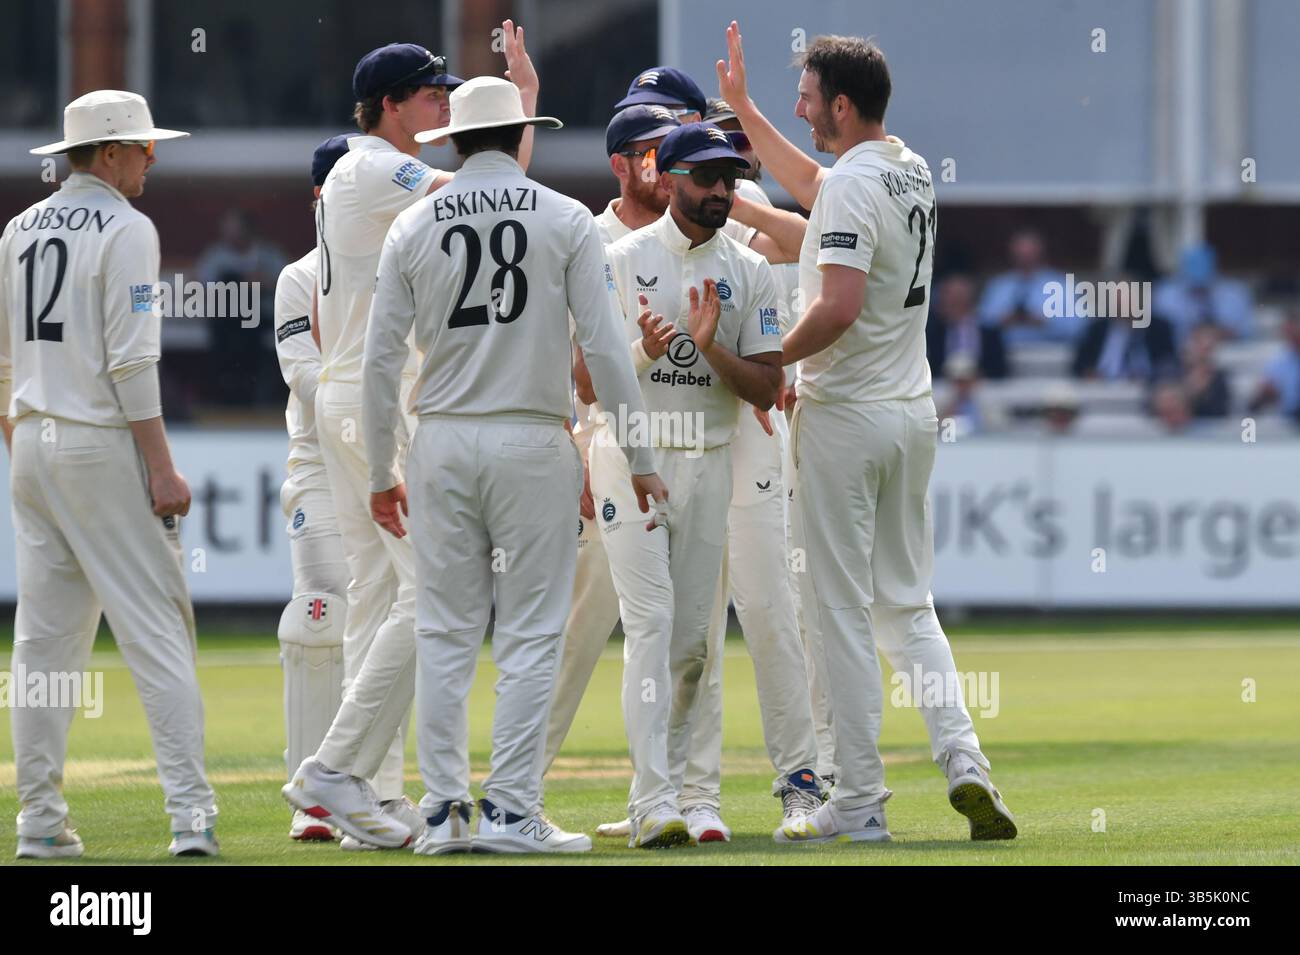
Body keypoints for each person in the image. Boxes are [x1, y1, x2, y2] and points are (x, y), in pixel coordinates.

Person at [717, 21, 1017, 843]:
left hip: (845, 416)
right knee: (908, 607)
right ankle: (964, 761)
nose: (801, 107)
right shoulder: (907, 168)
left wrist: (768, 359)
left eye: (808, 98)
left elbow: (838, 307)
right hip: (910, 416)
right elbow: (816, 186)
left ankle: (859, 798)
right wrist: (740, 112)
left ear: (842, 106)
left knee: (837, 612)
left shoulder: (854, 184)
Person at [363, 76, 667, 854]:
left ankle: (440, 814)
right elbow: (603, 349)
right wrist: (638, 454)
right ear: (520, 131)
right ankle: (510, 809)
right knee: (531, 633)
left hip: (440, 438)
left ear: (456, 139)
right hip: (532, 436)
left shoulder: (412, 222)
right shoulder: (566, 219)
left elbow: (379, 362)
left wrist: (378, 469)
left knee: (444, 630)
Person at [284, 27, 539, 850]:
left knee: (380, 599)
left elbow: (493, 196)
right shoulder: (368, 164)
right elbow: (498, 197)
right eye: (433, 94)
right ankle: (333, 770)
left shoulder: (369, 174)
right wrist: (520, 104)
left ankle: (370, 794)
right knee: (438, 593)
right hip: (369, 396)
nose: (444, 104)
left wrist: (520, 104)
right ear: (389, 106)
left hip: (353, 393)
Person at [1, 90, 218, 858]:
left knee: (44, 648)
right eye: (144, 148)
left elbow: (2, 361)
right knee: (158, 631)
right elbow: (132, 359)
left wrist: (25, 450)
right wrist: (161, 467)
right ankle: (192, 816)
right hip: (98, 440)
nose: (151, 161)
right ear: (112, 152)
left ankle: (37, 822)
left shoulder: (18, 228)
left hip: (31, 441)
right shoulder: (128, 229)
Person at [594, 122, 783, 848]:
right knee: (648, 626)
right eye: (705, 179)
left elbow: (767, 388)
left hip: (708, 457)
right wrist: (642, 350)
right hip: (631, 459)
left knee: (694, 644)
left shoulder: (750, 268)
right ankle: (653, 801)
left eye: (729, 180)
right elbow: (585, 380)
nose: (721, 193)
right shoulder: (619, 259)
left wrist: (709, 350)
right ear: (667, 178)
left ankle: (692, 794)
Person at [271, 133, 356, 843]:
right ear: (323, 198)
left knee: (392, 627)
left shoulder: (401, 269)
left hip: (391, 467)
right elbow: (304, 373)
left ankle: (367, 786)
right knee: (321, 615)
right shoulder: (299, 278)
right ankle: (313, 795)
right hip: (322, 471)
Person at [977, 229, 1078, 346]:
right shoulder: (998, 286)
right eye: (1021, 253)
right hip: (1003, 354)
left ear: (1041, 252)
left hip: (1051, 354)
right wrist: (1001, 321)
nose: (1025, 258)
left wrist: (1045, 323)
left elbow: (1077, 328)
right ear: (1012, 253)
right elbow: (981, 323)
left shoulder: (1062, 285)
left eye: (1030, 253)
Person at [1248, 309, 1300, 420]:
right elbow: (1254, 406)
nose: (1294, 335)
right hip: (1291, 421)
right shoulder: (1277, 364)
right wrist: (1265, 395)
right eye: (1290, 332)